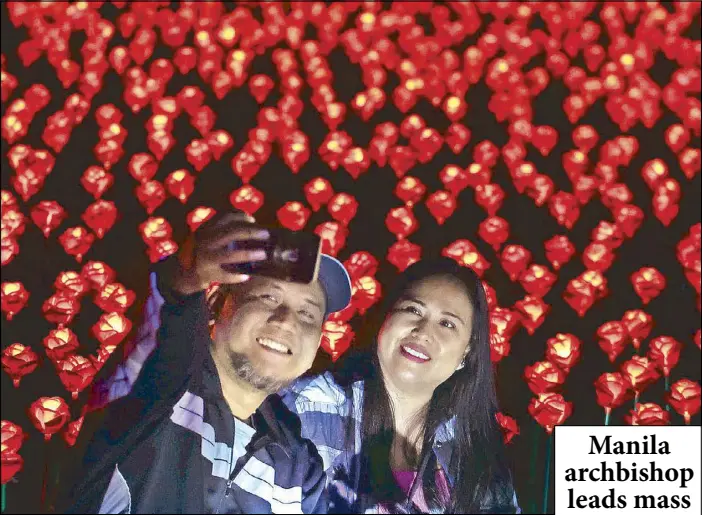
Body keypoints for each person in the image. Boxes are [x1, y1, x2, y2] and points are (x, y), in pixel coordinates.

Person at [56, 211, 353, 514]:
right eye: (268, 297)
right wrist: (187, 275)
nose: (287, 321)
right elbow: (168, 320)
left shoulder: (299, 470)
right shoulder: (158, 388)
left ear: (316, 345)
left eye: (307, 315)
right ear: (215, 304)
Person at [281, 257, 521, 514]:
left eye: (447, 324)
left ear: (467, 353)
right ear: (385, 318)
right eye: (413, 310)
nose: (423, 331)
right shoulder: (307, 410)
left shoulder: (476, 461)